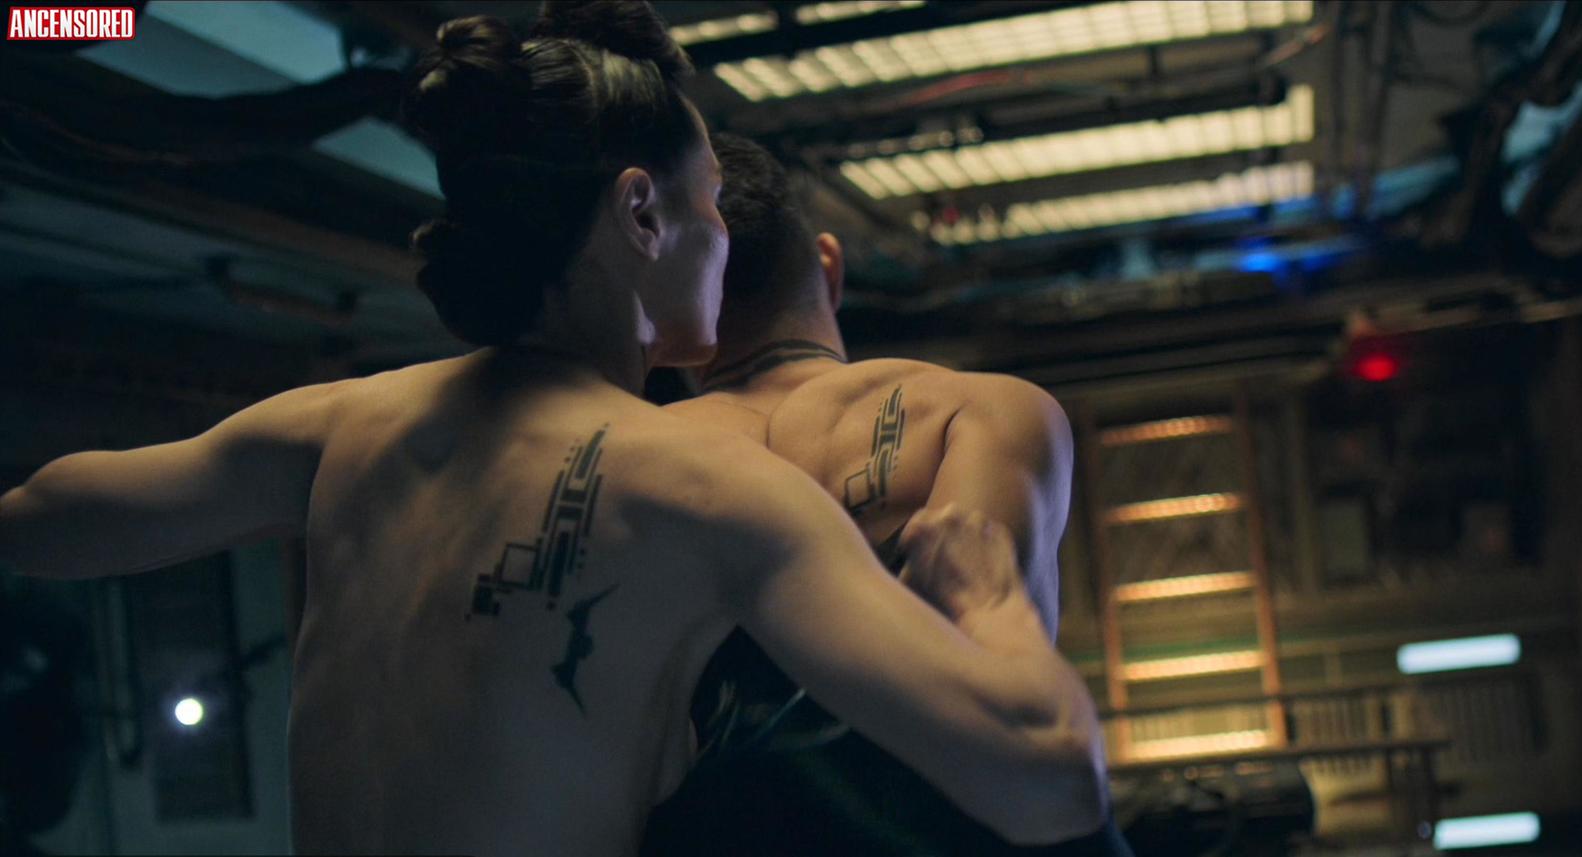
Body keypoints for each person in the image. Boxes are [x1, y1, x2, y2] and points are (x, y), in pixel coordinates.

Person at [0, 4, 1106, 856]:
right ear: (641, 213)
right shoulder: (705, 483)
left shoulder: (343, 421)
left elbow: (40, 516)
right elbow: (1045, 778)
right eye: (710, 201)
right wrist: (989, 600)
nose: (724, 233)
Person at [645, 135, 1129, 855]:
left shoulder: (632, 462)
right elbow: (993, 699)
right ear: (829, 267)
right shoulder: (983, 413)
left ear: (666, 325)